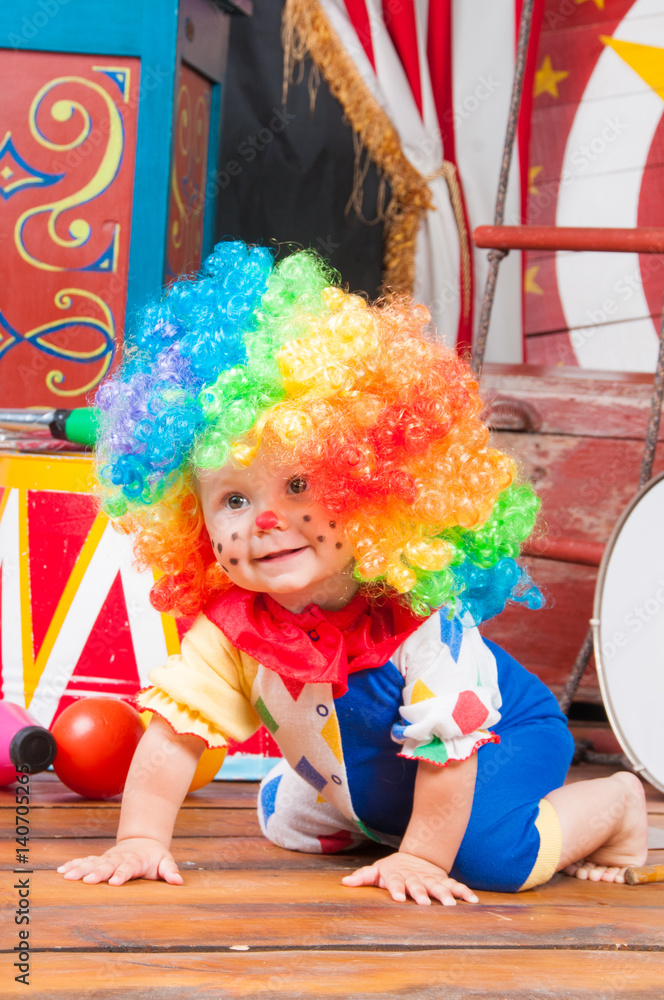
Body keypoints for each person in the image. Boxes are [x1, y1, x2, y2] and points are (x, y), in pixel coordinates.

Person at [58, 242, 648, 904]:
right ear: (191, 518)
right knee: (293, 826)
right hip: (368, 770)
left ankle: (615, 804)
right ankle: (369, 810)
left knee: (491, 858)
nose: (266, 521)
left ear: (370, 486)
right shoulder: (235, 628)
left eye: (301, 484)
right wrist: (141, 839)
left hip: (498, 735)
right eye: (233, 500)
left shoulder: (419, 614)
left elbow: (452, 745)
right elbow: (174, 737)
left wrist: (424, 859)